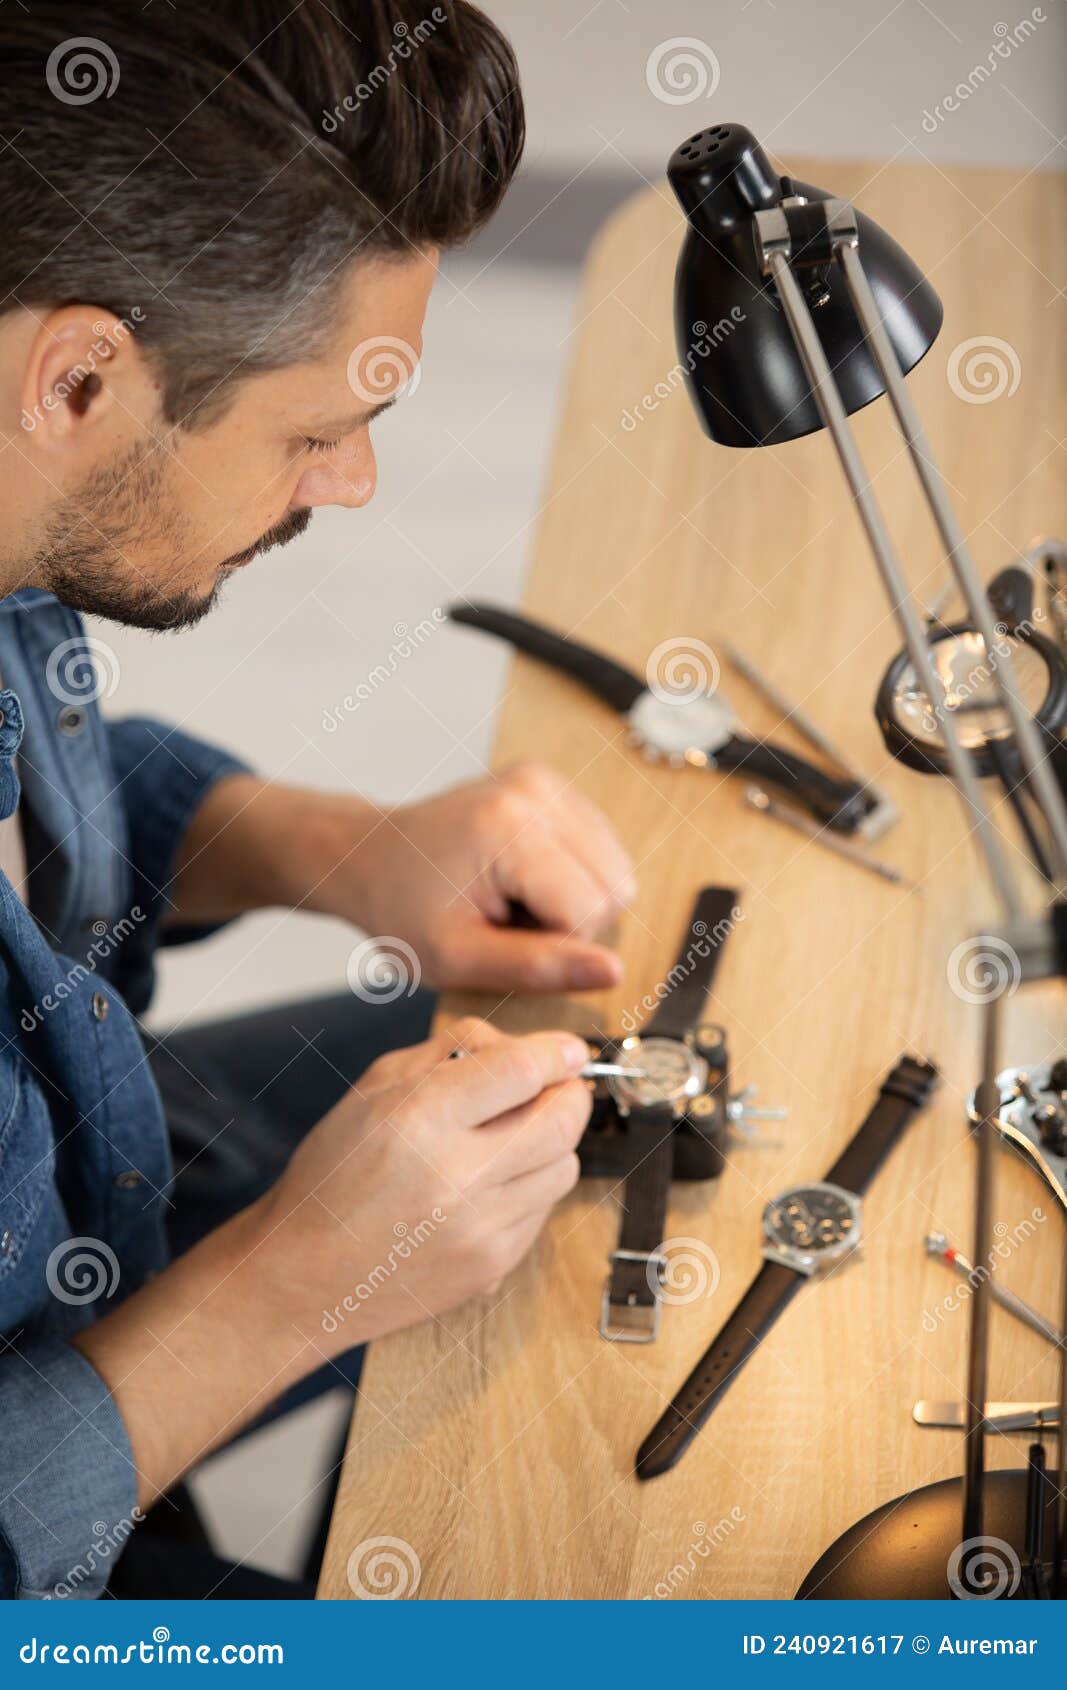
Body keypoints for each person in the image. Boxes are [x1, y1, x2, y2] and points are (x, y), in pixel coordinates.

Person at [0, 1, 636, 1599]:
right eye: (318, 425)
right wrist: (297, 1284)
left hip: (87, 1181)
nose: (350, 482)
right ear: (77, 378)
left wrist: (350, 850)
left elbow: (58, 815)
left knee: (623, 1091)